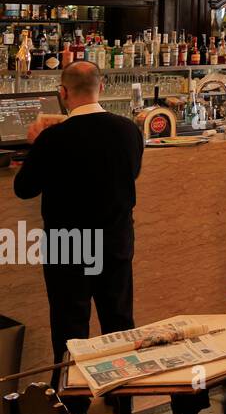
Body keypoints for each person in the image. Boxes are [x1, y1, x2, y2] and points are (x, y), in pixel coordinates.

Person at [13, 62, 143, 380]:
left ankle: (75, 402)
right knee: (118, 321)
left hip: (68, 243)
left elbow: (24, 188)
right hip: (115, 238)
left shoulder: (53, 138)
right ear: (101, 88)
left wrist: (36, 148)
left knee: (71, 325)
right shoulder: (129, 130)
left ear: (63, 93)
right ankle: (121, 395)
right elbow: (132, 172)